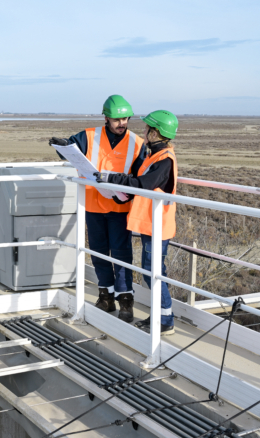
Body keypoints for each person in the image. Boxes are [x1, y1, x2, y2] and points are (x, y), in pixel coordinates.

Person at [48, 95, 144, 322]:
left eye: (125, 118)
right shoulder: (89, 136)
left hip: (120, 207)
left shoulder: (137, 143)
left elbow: (140, 178)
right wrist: (61, 147)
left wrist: (127, 194)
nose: (122, 123)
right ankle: (106, 297)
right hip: (93, 204)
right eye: (116, 119)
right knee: (99, 253)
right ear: (106, 118)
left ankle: (126, 302)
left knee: (121, 255)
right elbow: (69, 150)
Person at [94, 110, 178, 334]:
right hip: (149, 224)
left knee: (153, 273)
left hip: (158, 225)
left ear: (157, 132)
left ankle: (166, 320)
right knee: (152, 272)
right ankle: (160, 315)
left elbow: (142, 183)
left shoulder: (165, 160)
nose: (144, 132)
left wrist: (111, 178)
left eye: (148, 129)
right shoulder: (155, 156)